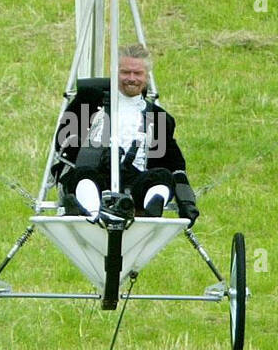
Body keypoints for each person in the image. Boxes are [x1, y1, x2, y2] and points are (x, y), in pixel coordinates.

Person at [52, 44, 200, 225]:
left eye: (137, 74)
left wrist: (186, 200)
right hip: (93, 174)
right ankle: (92, 212)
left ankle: (151, 209)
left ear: (146, 77)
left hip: (136, 180)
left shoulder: (158, 118)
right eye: (125, 72)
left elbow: (174, 163)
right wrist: (95, 152)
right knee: (84, 175)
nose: (131, 79)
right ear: (115, 73)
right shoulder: (88, 103)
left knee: (161, 176)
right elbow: (63, 143)